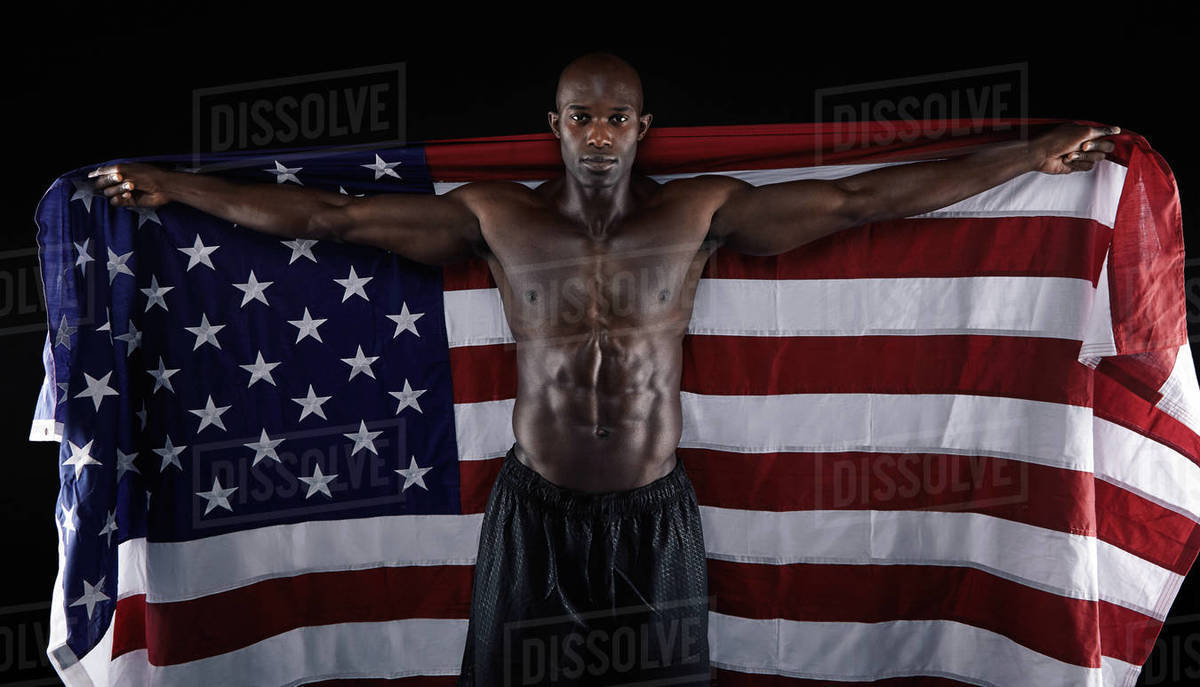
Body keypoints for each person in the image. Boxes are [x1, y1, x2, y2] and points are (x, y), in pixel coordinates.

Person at [89, 51, 1118, 686]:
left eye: (614, 115)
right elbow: (332, 217)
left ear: (640, 126)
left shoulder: (699, 212)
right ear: (554, 124)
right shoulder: (497, 215)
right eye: (578, 115)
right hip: (533, 511)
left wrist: (1025, 156)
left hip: (652, 511)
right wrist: (175, 187)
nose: (595, 133)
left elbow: (863, 202)